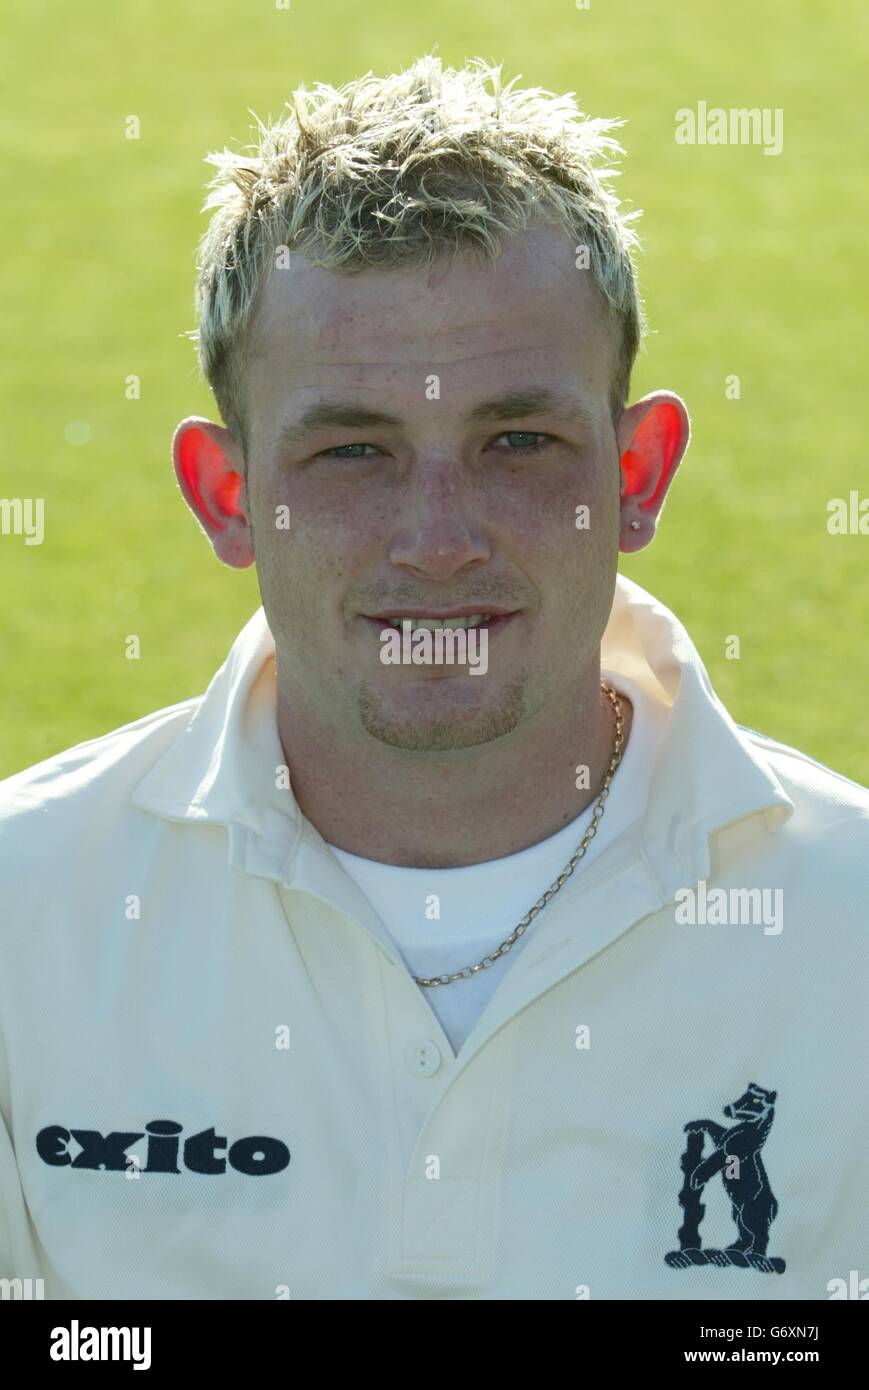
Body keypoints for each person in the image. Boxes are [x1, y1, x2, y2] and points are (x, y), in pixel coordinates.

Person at [1, 54, 866, 1302]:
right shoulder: (28, 922)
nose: (439, 535)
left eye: (518, 440)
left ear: (635, 474)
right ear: (228, 495)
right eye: (353, 449)